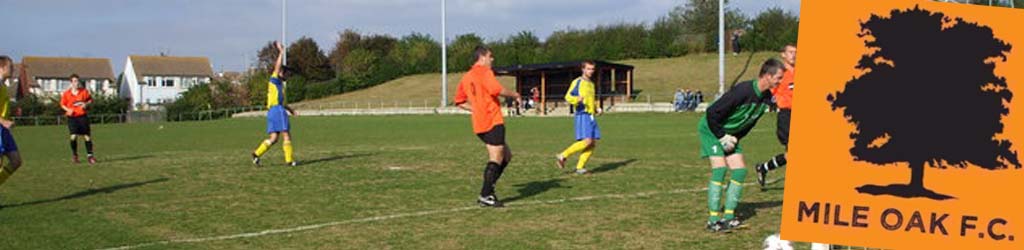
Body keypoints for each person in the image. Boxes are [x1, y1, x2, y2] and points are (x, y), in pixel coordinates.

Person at [699, 59, 785, 232]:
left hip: (730, 135)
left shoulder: (767, 98)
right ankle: (713, 220)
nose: (780, 81)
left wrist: (735, 138)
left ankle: (729, 217)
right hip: (712, 130)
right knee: (720, 169)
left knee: (739, 170)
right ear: (767, 76)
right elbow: (712, 113)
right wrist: (722, 137)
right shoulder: (743, 91)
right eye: (778, 78)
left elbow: (749, 123)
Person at [454, 46, 522, 207]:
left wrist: (476, 109)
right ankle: (485, 194)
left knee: (507, 156)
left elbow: (459, 101)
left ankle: (488, 190)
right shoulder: (484, 72)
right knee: (497, 158)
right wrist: (515, 94)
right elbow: (496, 89)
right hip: (492, 120)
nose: (493, 59)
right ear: (482, 57)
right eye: (490, 56)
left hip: (480, 122)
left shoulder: (467, 76)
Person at [756, 44, 798, 188]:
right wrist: (776, 102)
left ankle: (763, 168)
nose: (794, 55)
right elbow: (769, 92)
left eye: (796, 52)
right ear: (783, 55)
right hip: (786, 116)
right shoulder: (780, 74)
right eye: (791, 52)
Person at [251, 41, 298, 167]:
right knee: (286, 134)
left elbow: (283, 103)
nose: (288, 75)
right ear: (282, 73)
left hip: (273, 111)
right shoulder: (275, 79)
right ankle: (289, 160)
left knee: (274, 138)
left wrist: (291, 110)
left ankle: (256, 154)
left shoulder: (280, 87)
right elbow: (277, 67)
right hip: (277, 111)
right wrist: (281, 52)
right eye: (287, 73)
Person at [556, 61, 602, 175]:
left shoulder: (591, 84)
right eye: (588, 69)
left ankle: (580, 168)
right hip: (582, 114)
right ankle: (563, 155)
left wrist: (597, 108)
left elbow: (592, 99)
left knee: (592, 143)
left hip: (591, 116)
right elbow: (567, 97)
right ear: (583, 69)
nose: (591, 71)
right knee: (587, 141)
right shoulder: (577, 82)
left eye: (592, 69)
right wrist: (577, 99)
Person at [0, 56, 24, 191]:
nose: (13, 69)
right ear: (2, 67)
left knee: (16, 161)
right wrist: (3, 121)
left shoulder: (3, 85)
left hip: (3, 130)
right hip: (0, 127)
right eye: (11, 67)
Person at [60, 74, 96, 164]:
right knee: (73, 136)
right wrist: (68, 109)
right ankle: (75, 155)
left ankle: (90, 156)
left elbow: (90, 100)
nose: (77, 83)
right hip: (72, 118)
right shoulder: (67, 94)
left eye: (77, 81)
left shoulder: (84, 92)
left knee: (87, 136)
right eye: (75, 81)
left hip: (82, 117)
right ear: (71, 83)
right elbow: (62, 104)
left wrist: (86, 104)